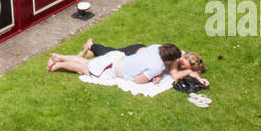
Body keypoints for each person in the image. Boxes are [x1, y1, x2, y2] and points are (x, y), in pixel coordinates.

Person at [47, 42, 182, 84]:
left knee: (87, 63)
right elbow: (139, 81)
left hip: (117, 57)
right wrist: (154, 76)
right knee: (83, 69)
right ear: (168, 60)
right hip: (112, 69)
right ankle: (60, 64)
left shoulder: (155, 47)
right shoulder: (157, 66)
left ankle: (61, 57)